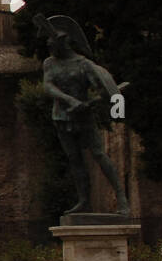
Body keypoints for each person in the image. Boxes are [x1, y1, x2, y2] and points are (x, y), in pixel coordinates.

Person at [38, 15, 131, 216]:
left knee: (98, 154)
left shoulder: (84, 64)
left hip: (84, 117)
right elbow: (48, 86)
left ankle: (122, 199)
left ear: (63, 43)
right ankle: (84, 200)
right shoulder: (49, 63)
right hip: (61, 116)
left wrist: (96, 100)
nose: (49, 48)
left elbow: (101, 89)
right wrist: (70, 100)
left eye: (52, 44)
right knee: (74, 159)